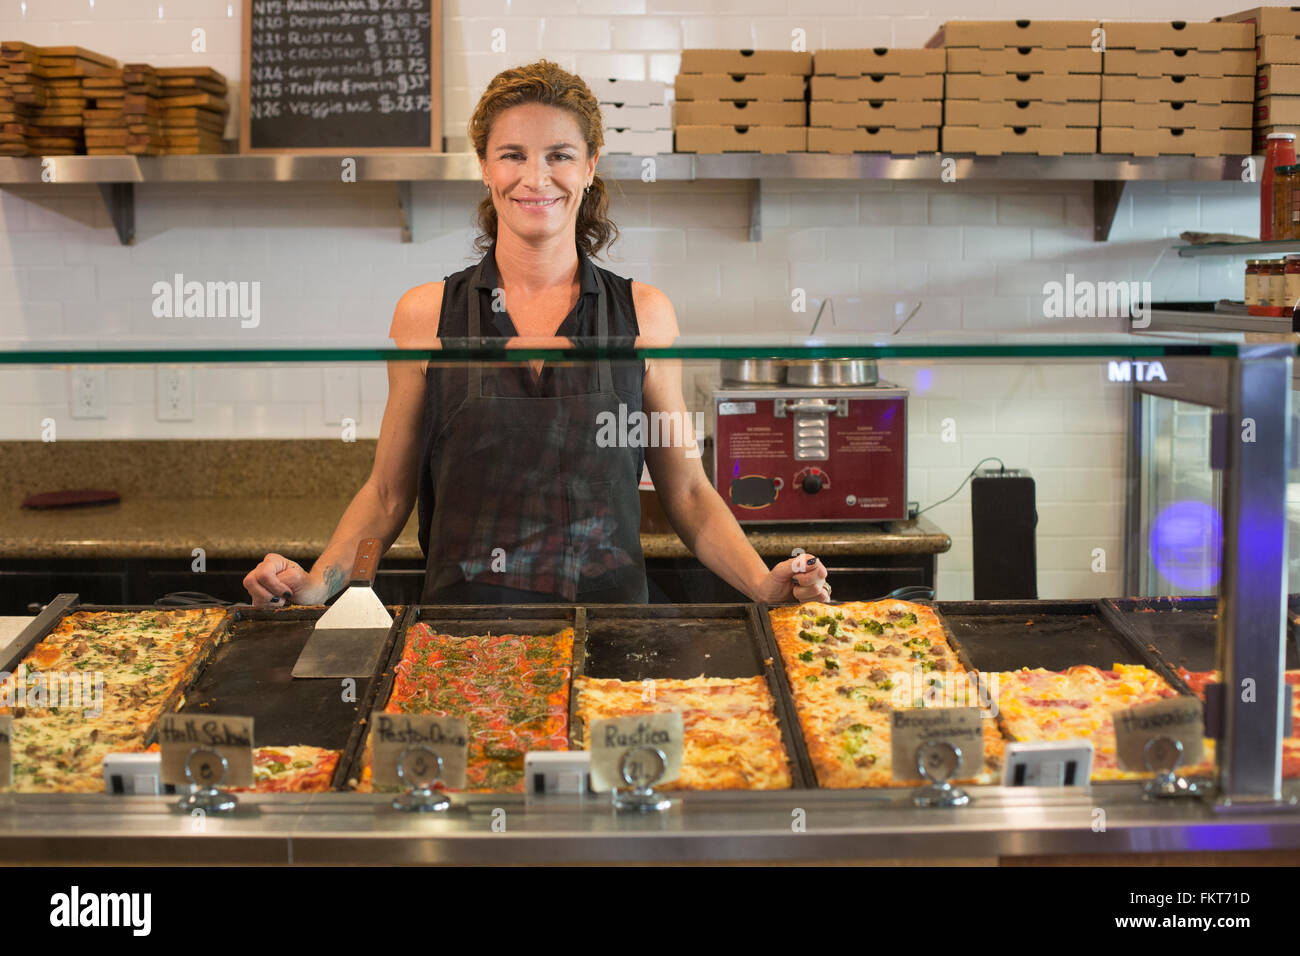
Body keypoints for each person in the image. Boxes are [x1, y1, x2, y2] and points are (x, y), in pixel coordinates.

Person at [243, 60, 830, 608]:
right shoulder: (425, 315)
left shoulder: (645, 315)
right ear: (485, 166)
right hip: (463, 642)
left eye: (559, 155)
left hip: (609, 638)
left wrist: (763, 582)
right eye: (513, 155)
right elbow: (387, 496)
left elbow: (689, 494)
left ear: (590, 165)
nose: (535, 177)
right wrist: (315, 585)